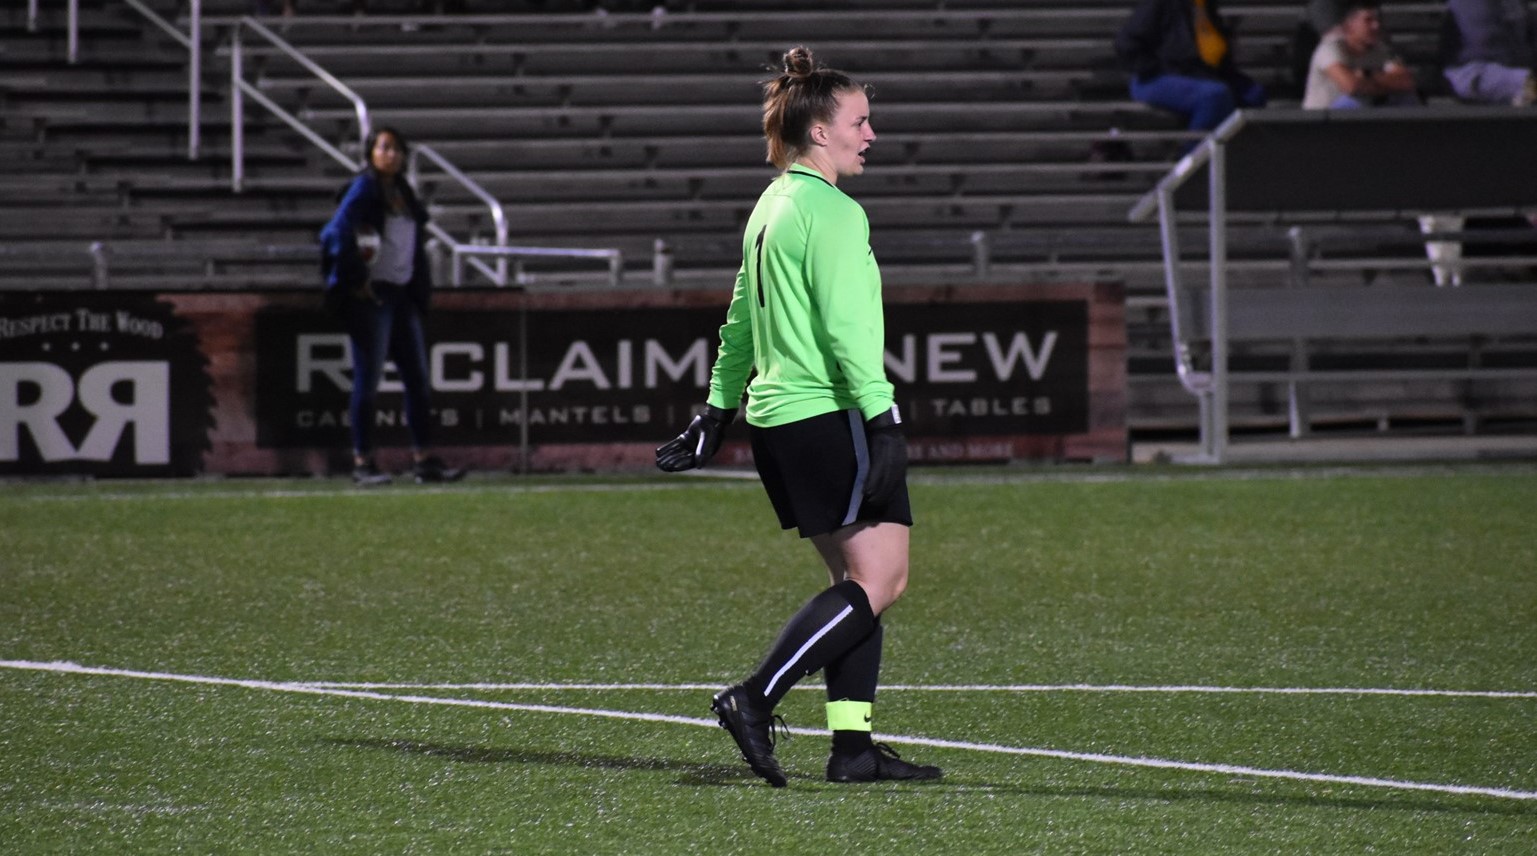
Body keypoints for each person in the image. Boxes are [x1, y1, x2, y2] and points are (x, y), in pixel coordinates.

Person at [655, 46, 941, 788]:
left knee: (857, 582)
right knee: (880, 580)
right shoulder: (833, 211)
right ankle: (753, 699)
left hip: (779, 422)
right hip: (826, 413)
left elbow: (739, 320)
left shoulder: (772, 203)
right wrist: (883, 419)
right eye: (860, 121)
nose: (870, 135)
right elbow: (847, 330)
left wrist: (717, 409)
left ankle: (852, 748)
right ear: (820, 132)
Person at [319, 126, 465, 485]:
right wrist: (355, 278)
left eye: (397, 149)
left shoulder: (403, 191)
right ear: (370, 153)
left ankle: (423, 460)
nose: (392, 155)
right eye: (384, 148)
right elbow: (335, 233)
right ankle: (363, 462)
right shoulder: (364, 188)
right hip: (373, 297)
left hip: (401, 296)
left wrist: (418, 288)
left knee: (418, 380)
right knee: (368, 382)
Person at [1303, 1, 1464, 286]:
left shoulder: (1381, 50)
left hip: (1362, 134)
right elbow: (1350, 86)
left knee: (1406, 100)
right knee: (1359, 101)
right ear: (1349, 25)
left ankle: (1415, 158)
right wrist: (1378, 82)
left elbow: (1406, 80)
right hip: (1323, 139)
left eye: (1378, 20)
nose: (1376, 26)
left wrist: (1367, 78)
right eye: (1369, 20)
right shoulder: (1330, 49)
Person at [1115, 0, 1268, 138]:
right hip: (1153, 78)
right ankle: (1192, 156)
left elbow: (1212, 51)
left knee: (1254, 95)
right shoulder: (1161, 4)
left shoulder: (1205, 5)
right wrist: (1157, 67)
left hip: (1200, 74)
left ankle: (1232, 153)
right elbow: (1126, 43)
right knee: (1215, 95)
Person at [1442, 0, 1537, 106]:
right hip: (1470, 72)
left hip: (1510, 72)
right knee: (1531, 85)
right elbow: (1487, 44)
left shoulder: (1515, 4)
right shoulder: (1470, 3)